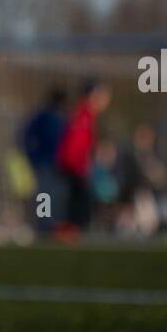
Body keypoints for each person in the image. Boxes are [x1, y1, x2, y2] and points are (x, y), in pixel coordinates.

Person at [56, 80, 110, 234]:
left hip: (75, 167)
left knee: (77, 203)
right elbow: (74, 145)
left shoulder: (86, 115)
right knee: (78, 204)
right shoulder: (83, 115)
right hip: (74, 168)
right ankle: (69, 234)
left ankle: (71, 233)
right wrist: (79, 166)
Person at [20, 87, 67, 232]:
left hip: (58, 165)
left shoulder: (62, 118)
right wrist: (33, 157)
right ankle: (43, 225)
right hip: (45, 164)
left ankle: (53, 224)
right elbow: (27, 137)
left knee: (54, 195)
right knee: (45, 194)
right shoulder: (44, 117)